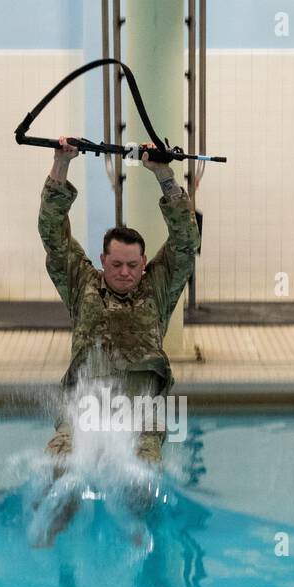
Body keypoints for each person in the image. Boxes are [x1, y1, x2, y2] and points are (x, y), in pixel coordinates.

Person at [38, 136, 199, 465]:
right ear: (102, 260)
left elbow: (185, 241)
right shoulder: (83, 284)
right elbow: (52, 234)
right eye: (116, 265)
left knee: (141, 480)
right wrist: (61, 163)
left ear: (143, 264)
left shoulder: (157, 288)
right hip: (86, 406)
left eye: (132, 265)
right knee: (59, 468)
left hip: (141, 412)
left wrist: (164, 175)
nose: (124, 272)